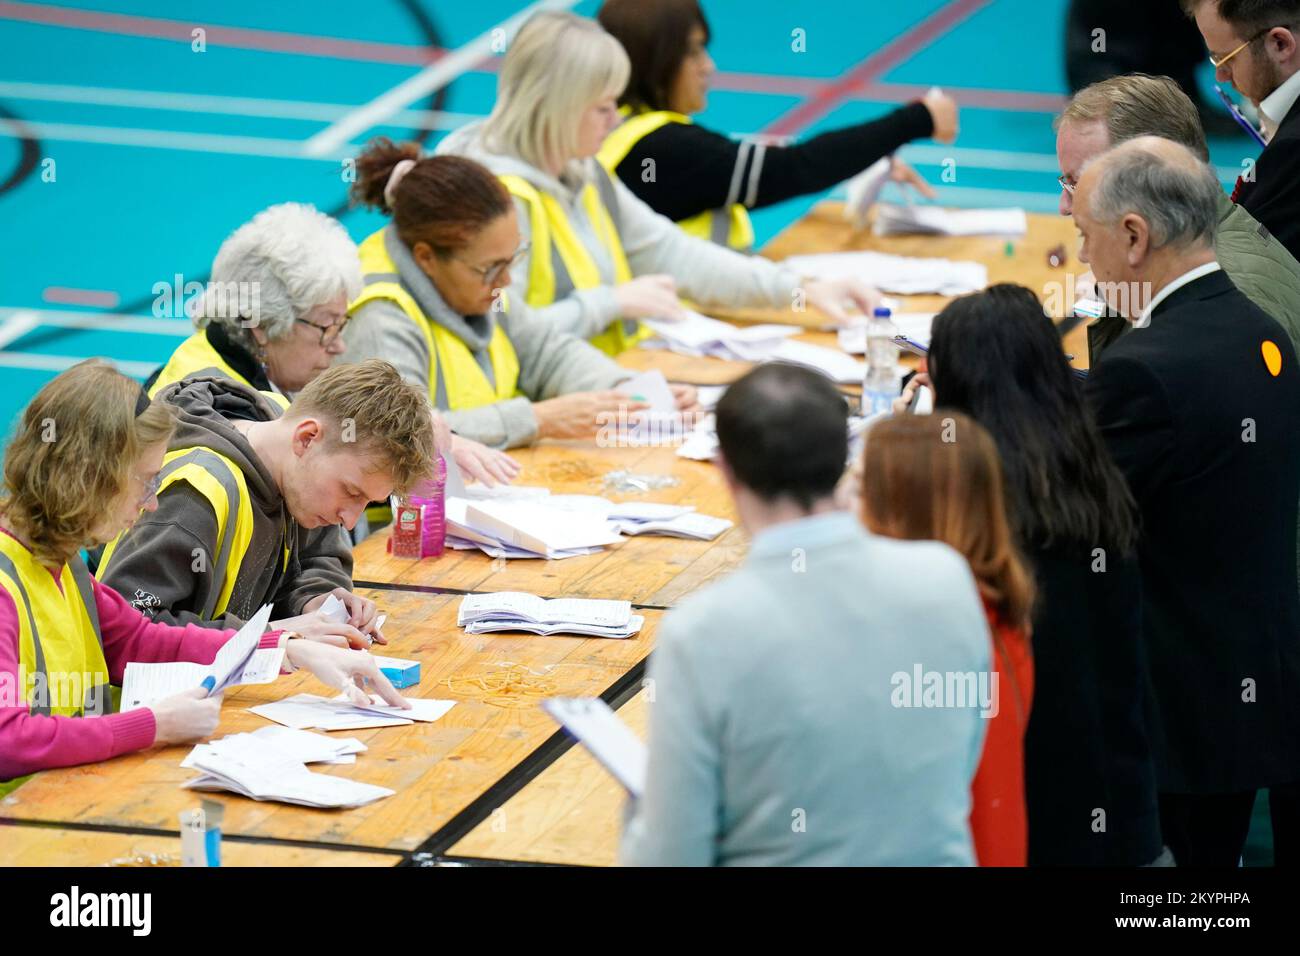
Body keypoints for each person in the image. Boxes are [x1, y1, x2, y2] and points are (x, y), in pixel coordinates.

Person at [620, 363, 991, 866]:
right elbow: (961, 758)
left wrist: (635, 808)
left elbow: (671, 854)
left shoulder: (703, 632)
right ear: (845, 456)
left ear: (724, 469)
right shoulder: (945, 577)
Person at [0, 361, 406, 797]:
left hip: (59, 799)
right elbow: (8, 741)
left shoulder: (61, 563)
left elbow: (141, 642)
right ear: (89, 476)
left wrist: (288, 649)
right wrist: (152, 726)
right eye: (143, 481)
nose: (152, 503)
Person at [1076, 136, 1300, 865]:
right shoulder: (1260, 334)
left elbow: (1064, 519)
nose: (1083, 260)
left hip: (1168, 717)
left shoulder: (1143, 367)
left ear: (1134, 236)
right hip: (1243, 700)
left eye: (1086, 237)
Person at [893, 284, 1167, 866]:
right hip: (1117, 797)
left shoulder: (976, 519)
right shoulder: (1091, 476)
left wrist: (907, 452)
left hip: (1024, 804)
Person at [436, 11, 879, 355]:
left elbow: (669, 251)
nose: (615, 121)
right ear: (559, 108)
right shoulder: (499, 198)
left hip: (602, 383)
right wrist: (612, 302)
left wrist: (798, 289)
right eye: (603, 108)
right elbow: (500, 334)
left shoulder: (581, 170)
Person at [343, 143, 695, 449]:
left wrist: (633, 394)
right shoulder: (380, 317)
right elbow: (404, 438)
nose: (507, 279)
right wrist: (538, 419)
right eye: (493, 268)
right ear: (426, 258)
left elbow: (549, 353)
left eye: (513, 259)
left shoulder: (476, 282)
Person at [149, 202, 518, 487]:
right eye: (326, 327)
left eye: (342, 325)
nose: (339, 346)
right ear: (260, 326)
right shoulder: (215, 405)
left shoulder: (270, 369)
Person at [96, 360, 437, 648]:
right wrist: (273, 636)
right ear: (307, 438)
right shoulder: (195, 495)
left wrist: (317, 602)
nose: (350, 520)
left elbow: (316, 557)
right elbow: (123, 633)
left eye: (368, 501)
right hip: (147, 713)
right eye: (352, 491)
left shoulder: (292, 463)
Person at [595, 0, 956, 250]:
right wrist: (917, 120)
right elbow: (796, 168)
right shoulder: (664, 148)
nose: (708, 67)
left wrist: (870, 162)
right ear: (655, 61)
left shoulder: (617, 131)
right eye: (693, 52)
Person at [858, 413, 1035, 867]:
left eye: (861, 490)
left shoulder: (934, 635)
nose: (849, 508)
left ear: (902, 508)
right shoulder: (995, 607)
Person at [1054, 73, 1300, 363]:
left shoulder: (1221, 308)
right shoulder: (1182, 258)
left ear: (1149, 181)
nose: (1065, 206)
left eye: (1077, 184)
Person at [1182, 0, 1300, 260]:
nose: (1220, 76)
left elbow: (1239, 277)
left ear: (1280, 44)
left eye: (1226, 59)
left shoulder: (1290, 152)